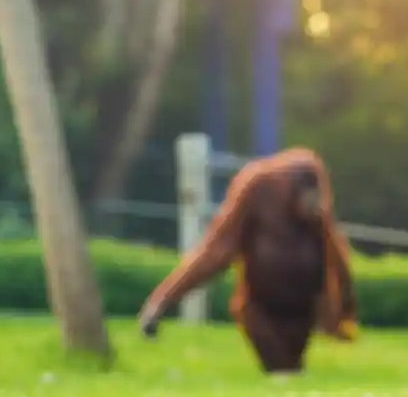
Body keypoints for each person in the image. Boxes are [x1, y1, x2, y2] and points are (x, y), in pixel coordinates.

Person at [138, 147, 359, 374]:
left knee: (290, 373)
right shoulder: (257, 187)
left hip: (302, 308)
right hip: (262, 307)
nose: (313, 206)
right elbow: (215, 252)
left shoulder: (314, 190)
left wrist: (343, 308)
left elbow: (332, 251)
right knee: (282, 371)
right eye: (308, 197)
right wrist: (161, 302)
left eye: (316, 196)